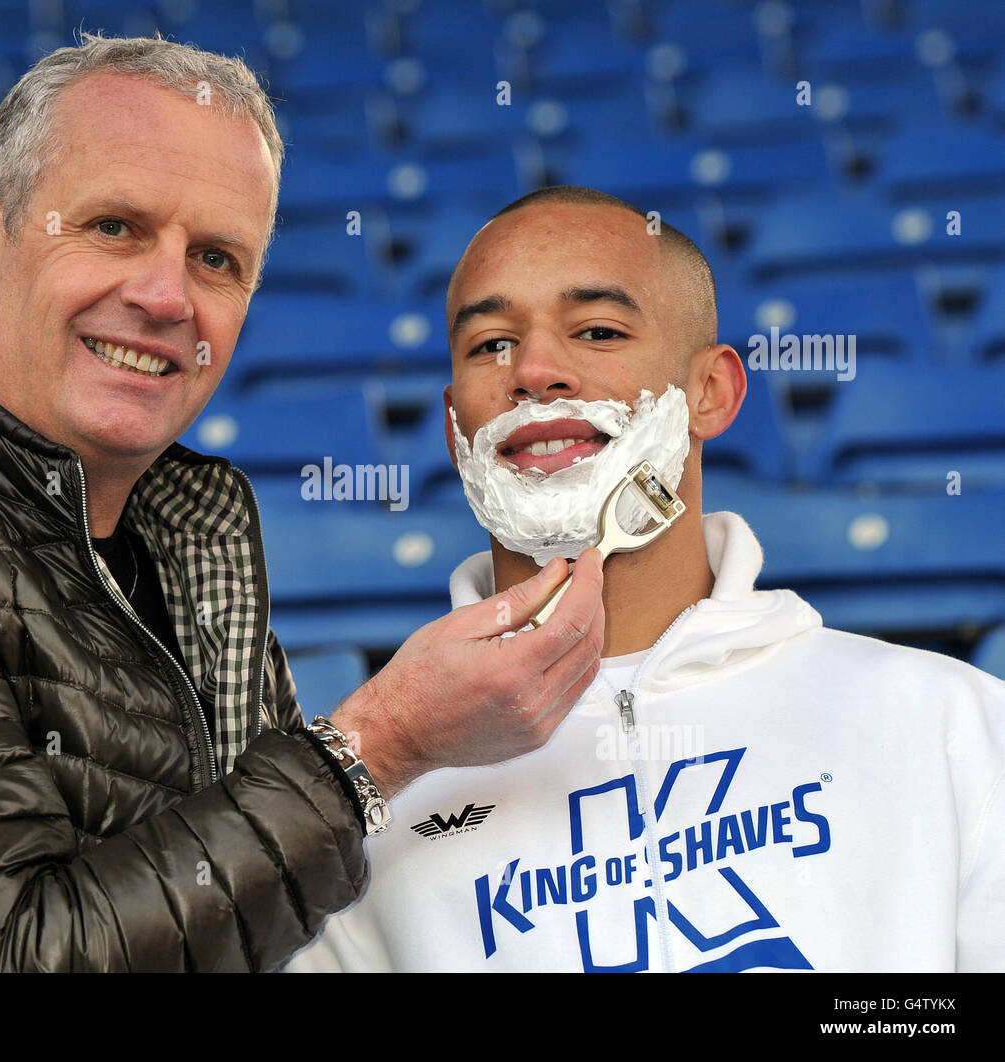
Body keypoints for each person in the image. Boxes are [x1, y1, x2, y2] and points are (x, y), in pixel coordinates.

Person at [0, 37, 606, 972]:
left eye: (217, 258)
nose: (167, 295)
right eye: (113, 228)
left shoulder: (189, 536)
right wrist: (375, 748)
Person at [285, 186, 1005, 972]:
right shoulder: (364, 794)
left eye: (596, 330)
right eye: (491, 343)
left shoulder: (944, 721)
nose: (532, 371)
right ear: (457, 430)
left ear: (713, 393)